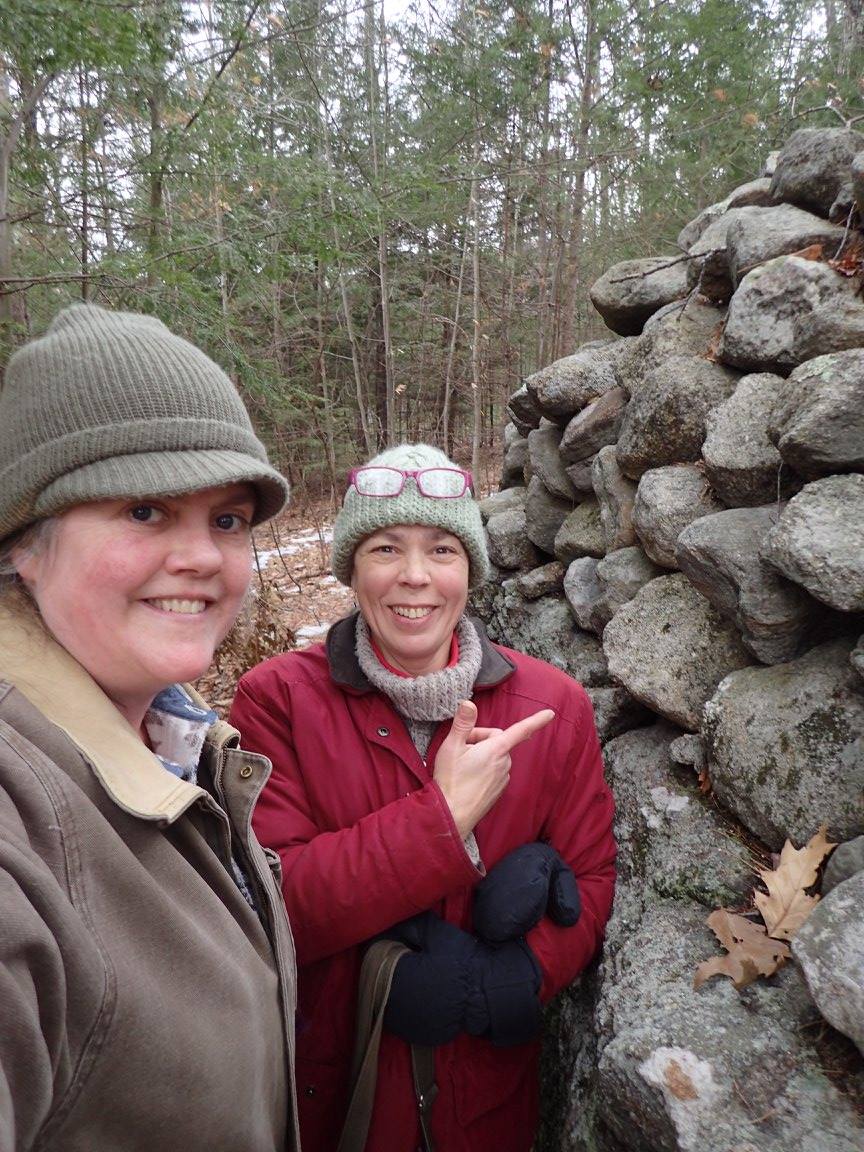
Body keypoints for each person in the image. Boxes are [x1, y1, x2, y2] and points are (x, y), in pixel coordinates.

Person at [230, 442, 616, 1152]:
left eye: (442, 550)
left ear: (470, 568)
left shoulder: (550, 706)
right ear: (351, 567)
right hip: (340, 1096)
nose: (414, 578)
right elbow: (273, 904)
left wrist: (527, 971)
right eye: (385, 548)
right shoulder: (276, 702)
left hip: (488, 1101)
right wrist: (440, 822)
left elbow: (590, 877)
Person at [0, 304, 300, 1152]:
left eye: (228, 518)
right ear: (26, 541)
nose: (204, 556)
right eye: (144, 511)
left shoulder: (179, 743)